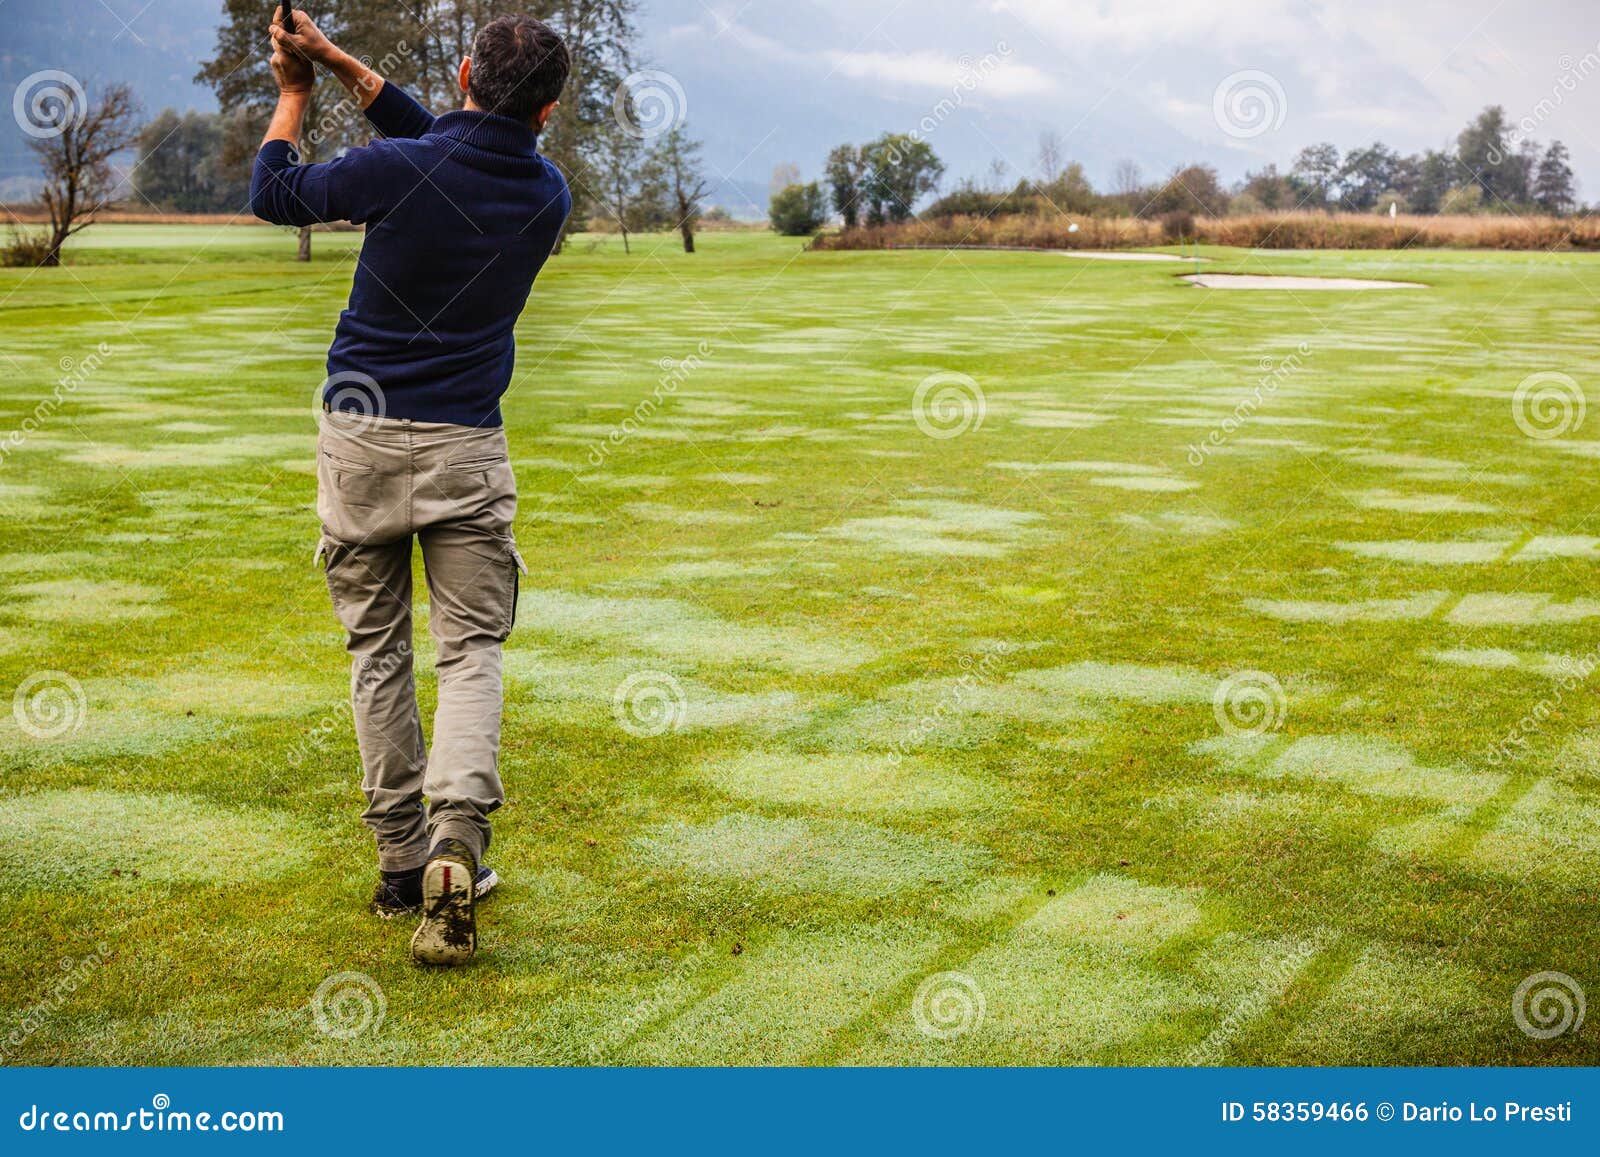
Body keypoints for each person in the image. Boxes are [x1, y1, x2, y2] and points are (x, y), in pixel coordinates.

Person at [251, 9, 572, 965]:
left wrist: (297, 90)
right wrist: (343, 59)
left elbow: (276, 192)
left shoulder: (405, 168)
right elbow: (448, 145)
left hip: (359, 440)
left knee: (376, 649)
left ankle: (401, 864)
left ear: (465, 69)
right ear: (549, 112)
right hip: (468, 447)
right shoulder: (546, 194)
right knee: (470, 650)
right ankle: (455, 849)